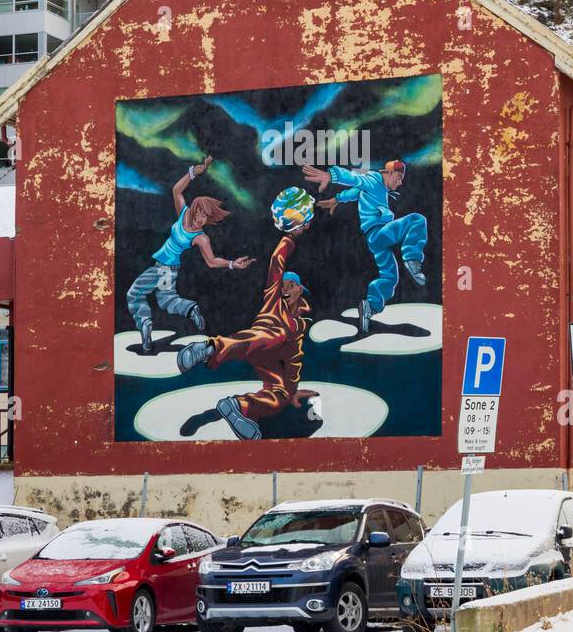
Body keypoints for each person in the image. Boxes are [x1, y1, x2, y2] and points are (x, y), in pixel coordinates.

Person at [176, 228, 317, 440]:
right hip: (261, 338)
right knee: (273, 335)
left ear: (300, 290)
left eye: (292, 285)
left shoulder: (299, 325)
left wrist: (292, 388)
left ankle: (237, 407)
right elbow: (277, 259)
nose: (286, 289)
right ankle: (210, 349)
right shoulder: (273, 298)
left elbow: (294, 358)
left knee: (281, 395)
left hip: (272, 361)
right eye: (283, 285)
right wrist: (290, 236)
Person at [126, 156, 254, 354]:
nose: (201, 219)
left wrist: (232, 264)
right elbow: (176, 190)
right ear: (194, 210)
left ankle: (144, 323)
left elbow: (211, 262)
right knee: (166, 300)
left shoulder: (201, 237)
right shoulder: (184, 213)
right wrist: (194, 173)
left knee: (134, 294)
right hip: (170, 270)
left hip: (162, 268)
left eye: (205, 216)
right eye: (199, 213)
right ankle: (190, 308)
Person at [301, 158, 426, 334]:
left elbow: (355, 191)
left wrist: (337, 199)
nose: (399, 184)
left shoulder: (377, 187)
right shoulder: (373, 179)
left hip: (377, 241)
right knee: (417, 220)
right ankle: (412, 258)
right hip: (379, 232)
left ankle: (370, 307)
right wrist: (331, 175)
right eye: (398, 178)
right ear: (389, 173)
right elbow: (355, 179)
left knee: (390, 277)